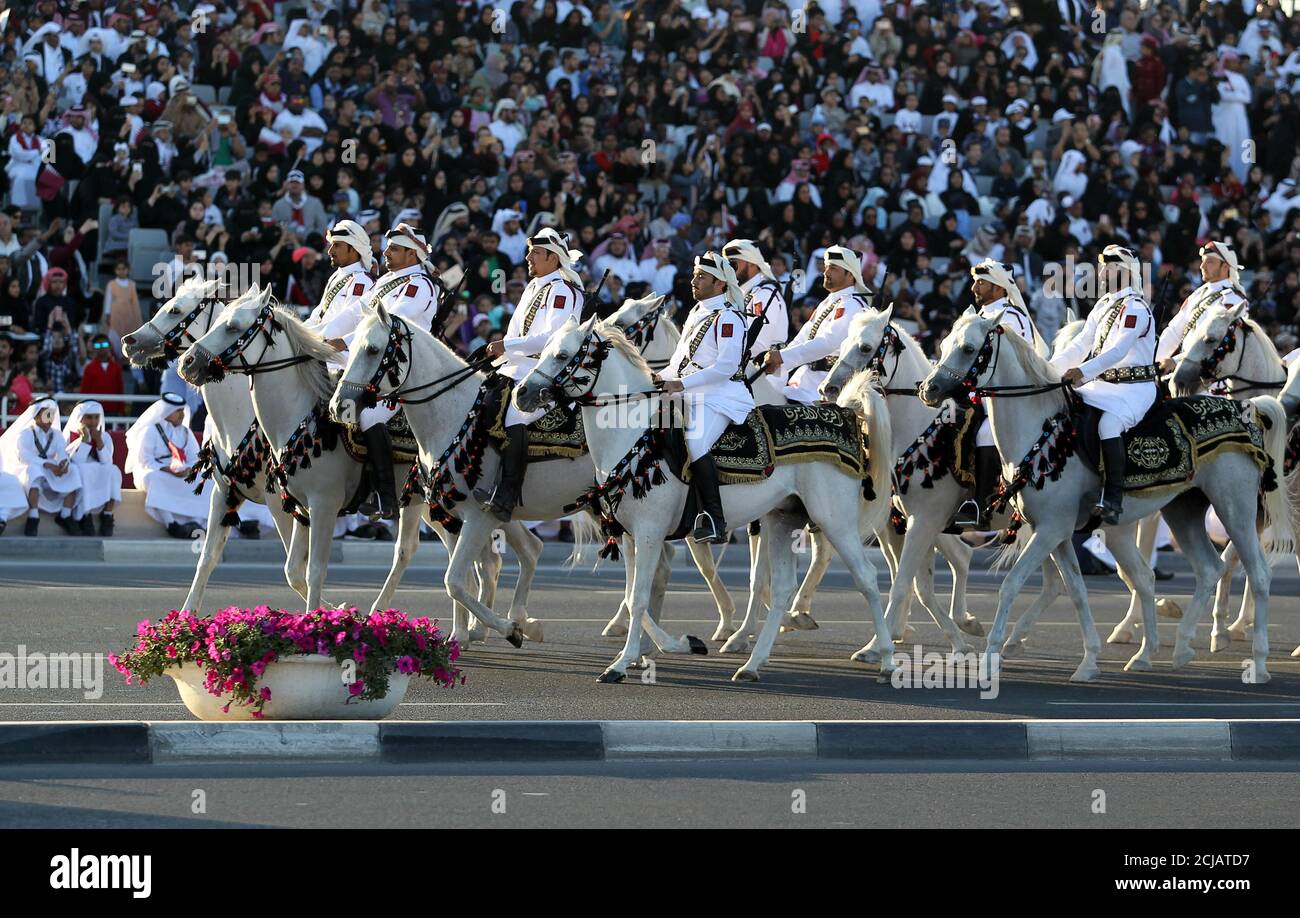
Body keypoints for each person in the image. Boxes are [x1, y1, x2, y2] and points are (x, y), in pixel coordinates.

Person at [473, 227, 584, 521]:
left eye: (535, 253)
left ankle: (508, 493)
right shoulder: (534, 286)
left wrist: (504, 346)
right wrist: (498, 355)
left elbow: (551, 339)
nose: (528, 258)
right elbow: (515, 332)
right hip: (516, 367)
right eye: (529, 252)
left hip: (547, 374)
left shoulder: (564, 290)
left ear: (553, 257)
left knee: (515, 415)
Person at [1050, 245, 1158, 524]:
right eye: (1103, 266)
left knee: (1107, 425)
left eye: (1109, 267)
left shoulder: (1136, 306)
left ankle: (1112, 496)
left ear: (1125, 272)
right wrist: (1049, 370)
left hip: (1134, 388)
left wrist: (1081, 372)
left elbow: (1118, 351)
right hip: (1103, 385)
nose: (1103, 272)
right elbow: (1081, 344)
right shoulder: (1103, 304)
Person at [653, 252, 753, 543]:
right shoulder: (698, 312)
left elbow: (725, 367)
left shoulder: (729, 317)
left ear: (720, 283)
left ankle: (714, 519)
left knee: (696, 442)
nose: (694, 281)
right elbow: (679, 360)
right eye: (695, 275)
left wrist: (680, 384)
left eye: (701, 277)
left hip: (721, 396)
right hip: (692, 392)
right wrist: (660, 377)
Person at [355, 222, 441, 519]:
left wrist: (348, 340)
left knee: (368, 415)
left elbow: (389, 323)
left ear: (412, 254)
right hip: (375, 361)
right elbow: (356, 315)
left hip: (403, 370)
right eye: (387, 248)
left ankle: (385, 496)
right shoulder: (384, 282)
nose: (386, 253)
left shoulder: (419, 284)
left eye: (394, 249)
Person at [953, 259, 1047, 530]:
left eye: (981, 282)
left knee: (984, 433)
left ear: (999, 287)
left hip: (1006, 398)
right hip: (975, 393)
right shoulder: (975, 316)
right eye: (975, 281)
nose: (974, 287)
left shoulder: (1012, 317)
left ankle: (981, 505)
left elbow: (1016, 365)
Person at [762, 245, 873, 404]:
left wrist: (783, 357)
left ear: (850, 275)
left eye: (833, 268)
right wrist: (778, 360)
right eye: (826, 267)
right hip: (805, 380)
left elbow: (828, 342)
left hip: (828, 387)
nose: (825, 272)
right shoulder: (828, 302)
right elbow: (802, 337)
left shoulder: (853, 305)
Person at [125, 393, 211, 538]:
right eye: (178, 411)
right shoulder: (150, 431)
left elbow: (194, 459)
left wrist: (188, 470)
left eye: (182, 411)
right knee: (154, 479)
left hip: (181, 472)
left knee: (205, 481)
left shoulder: (186, 433)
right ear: (166, 412)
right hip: (155, 470)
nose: (182, 415)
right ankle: (171, 524)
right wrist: (169, 470)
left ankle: (195, 523)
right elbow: (145, 461)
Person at [1156, 241, 1247, 374]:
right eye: (1202, 261)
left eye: (1209, 262)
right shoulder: (1198, 294)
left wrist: (1176, 361)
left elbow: (1217, 344)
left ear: (1225, 267)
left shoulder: (1233, 300)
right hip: (1183, 371)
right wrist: (1151, 360)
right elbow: (1174, 332)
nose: (1202, 266)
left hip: (1213, 379)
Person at [0, 398, 83, 536]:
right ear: (37, 415)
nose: (50, 418)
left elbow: (62, 452)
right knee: (34, 471)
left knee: (73, 470)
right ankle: (33, 516)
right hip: (29, 468)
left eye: (51, 414)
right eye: (46, 414)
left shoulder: (57, 435)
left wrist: (64, 463)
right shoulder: (25, 434)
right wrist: (47, 464)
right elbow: (25, 456)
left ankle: (65, 514)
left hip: (52, 470)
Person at [306, 219, 377, 357]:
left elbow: (348, 322)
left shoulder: (361, 280)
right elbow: (318, 314)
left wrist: (311, 338)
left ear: (354, 248)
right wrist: (299, 332)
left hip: (341, 356)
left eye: (337, 245)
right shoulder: (337, 275)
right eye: (331, 245)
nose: (330, 251)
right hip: (320, 346)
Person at [722, 238, 789, 381]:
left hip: (765, 375)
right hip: (740, 368)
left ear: (752, 264)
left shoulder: (764, 294)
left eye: (733, 264)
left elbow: (759, 344)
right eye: (726, 264)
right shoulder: (737, 293)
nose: (728, 270)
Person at [62, 400, 122, 536]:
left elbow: (107, 461)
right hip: (78, 469)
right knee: (82, 470)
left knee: (113, 470)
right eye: (89, 417)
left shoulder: (105, 436)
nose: (93, 422)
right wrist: (84, 441)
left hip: (99, 467)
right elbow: (74, 461)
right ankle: (84, 515)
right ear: (80, 418)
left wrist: (99, 442)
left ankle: (107, 514)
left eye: (96, 417)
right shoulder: (70, 436)